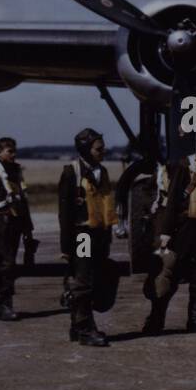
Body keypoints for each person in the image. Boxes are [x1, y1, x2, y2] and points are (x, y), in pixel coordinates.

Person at [143, 131, 196, 336]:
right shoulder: (185, 166)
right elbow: (173, 200)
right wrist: (165, 232)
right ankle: (156, 319)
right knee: (170, 277)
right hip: (185, 230)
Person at [58, 128, 117, 347]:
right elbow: (64, 213)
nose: (103, 151)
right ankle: (85, 328)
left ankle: (76, 325)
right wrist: (66, 247)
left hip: (100, 234)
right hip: (82, 236)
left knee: (97, 276)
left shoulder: (102, 171)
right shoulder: (71, 172)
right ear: (86, 149)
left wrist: (107, 236)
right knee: (83, 280)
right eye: (99, 148)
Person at [0, 136, 35, 320]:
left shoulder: (15, 171)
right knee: (5, 266)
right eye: (9, 151)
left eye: (14, 150)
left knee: (7, 265)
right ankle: (2, 305)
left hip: (14, 224)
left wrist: (28, 229)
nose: (13, 154)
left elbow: (22, 201)